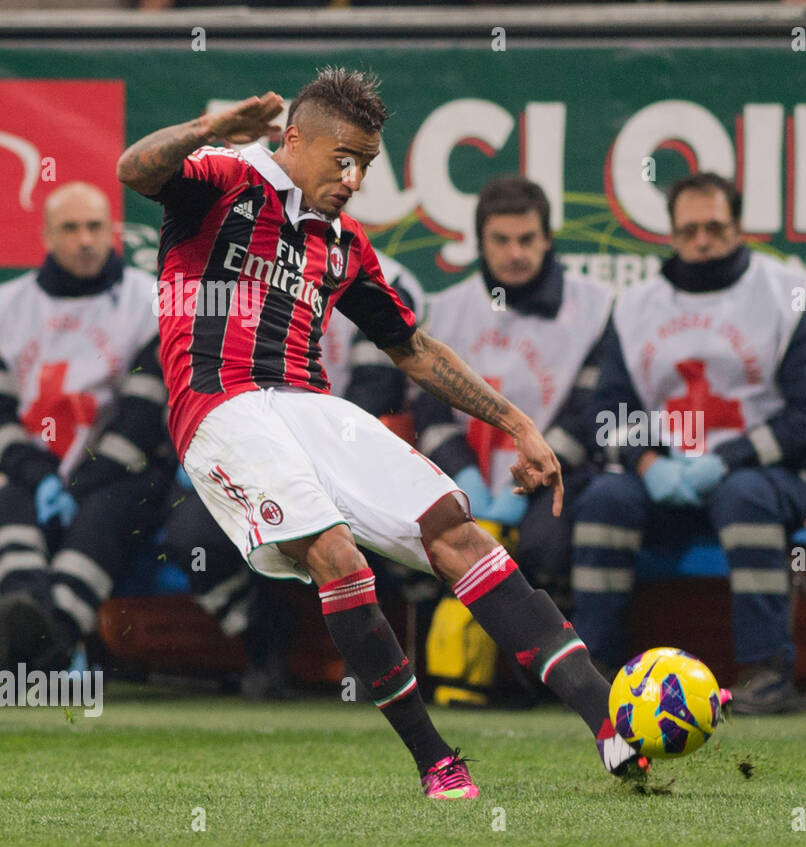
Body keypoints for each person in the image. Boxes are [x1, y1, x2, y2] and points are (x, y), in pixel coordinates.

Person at [117, 67, 641, 799]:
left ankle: (613, 727)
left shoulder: (344, 245)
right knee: (335, 551)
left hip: (307, 403)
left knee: (457, 529)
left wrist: (518, 423)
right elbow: (133, 169)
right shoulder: (224, 180)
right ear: (293, 139)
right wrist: (209, 129)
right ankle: (437, 759)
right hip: (220, 406)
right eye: (344, 158)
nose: (356, 177)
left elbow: (415, 352)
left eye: (366, 162)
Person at [571, 171, 806, 714]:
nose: (702, 240)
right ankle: (592, 674)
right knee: (603, 500)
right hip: (664, 476)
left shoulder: (788, 298)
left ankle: (768, 672)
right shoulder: (635, 306)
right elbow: (606, 413)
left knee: (743, 496)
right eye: (689, 229)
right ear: (671, 234)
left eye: (715, 227)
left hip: (763, 478)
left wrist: (726, 460)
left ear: (739, 227)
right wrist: (648, 464)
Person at [162, 250, 426, 700]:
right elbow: (208, 370)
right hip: (250, 452)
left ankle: (372, 661)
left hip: (345, 455)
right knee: (193, 537)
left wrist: (300, 458)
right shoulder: (237, 264)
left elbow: (376, 390)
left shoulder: (381, 275)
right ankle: (265, 648)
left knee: (364, 532)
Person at [415, 176, 611, 605]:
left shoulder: (595, 308)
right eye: (501, 240)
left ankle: (549, 672)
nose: (515, 253)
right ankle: (441, 674)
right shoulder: (445, 311)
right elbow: (428, 412)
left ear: (548, 239)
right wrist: (462, 481)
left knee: (544, 546)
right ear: (480, 241)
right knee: (417, 548)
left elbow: (589, 411)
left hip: (559, 478)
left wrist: (534, 477)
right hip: (461, 483)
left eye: (527, 239)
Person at [0, 182, 171, 672]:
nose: (86, 240)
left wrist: (79, 484)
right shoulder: (7, 308)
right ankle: (31, 625)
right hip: (27, 465)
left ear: (111, 232)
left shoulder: (150, 302)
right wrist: (39, 476)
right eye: (70, 228)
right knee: (9, 500)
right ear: (47, 235)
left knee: (103, 513)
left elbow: (144, 415)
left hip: (122, 469)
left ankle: (38, 644)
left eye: (95, 227)